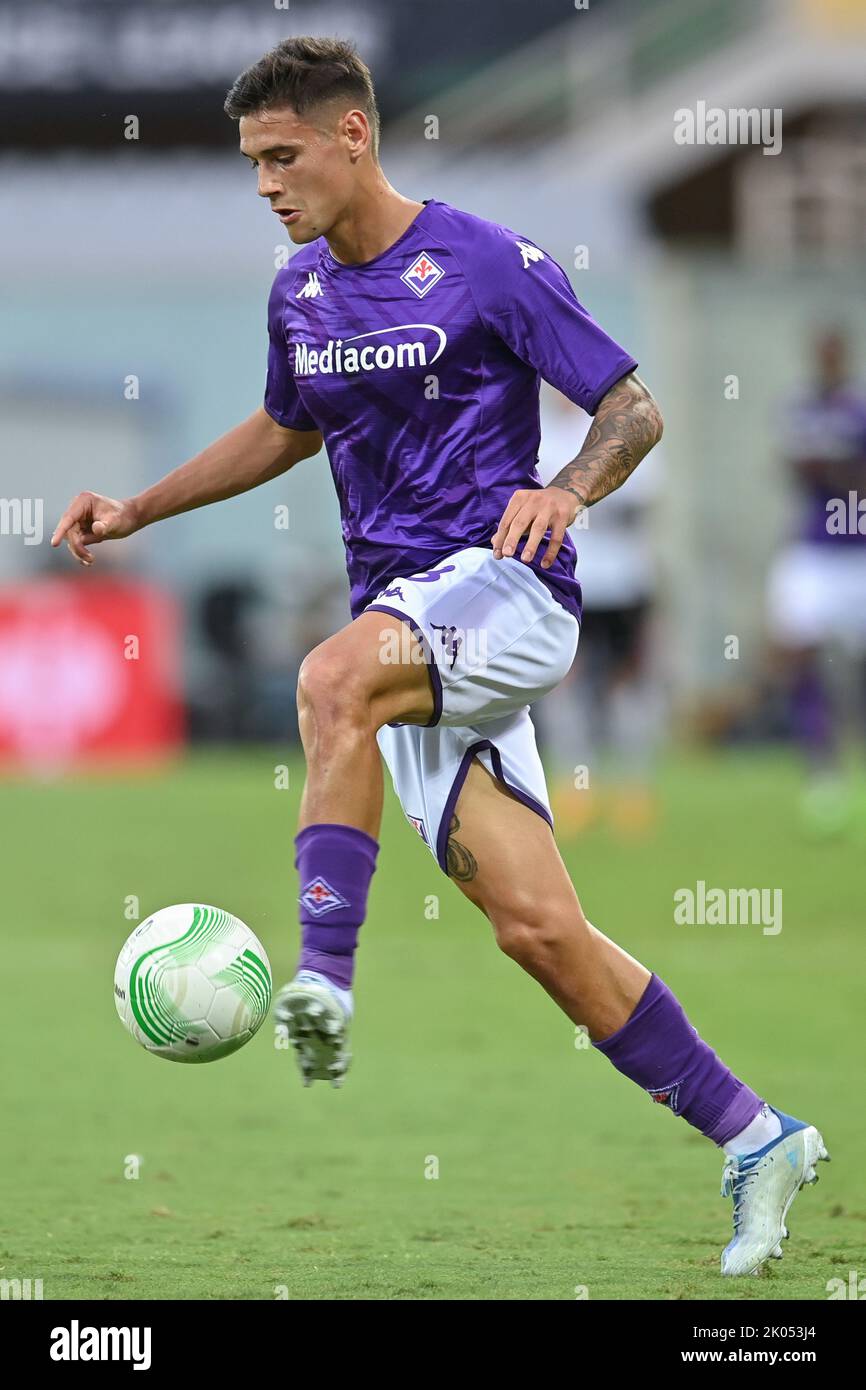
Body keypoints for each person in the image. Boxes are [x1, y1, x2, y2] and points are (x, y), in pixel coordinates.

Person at [51, 36, 828, 1277]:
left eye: (282, 155)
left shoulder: (484, 262)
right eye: (252, 163)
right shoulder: (299, 294)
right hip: (406, 627)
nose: (265, 184)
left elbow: (631, 405)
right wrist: (140, 510)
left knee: (324, 680)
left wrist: (567, 491)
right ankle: (756, 1135)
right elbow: (283, 426)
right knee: (536, 929)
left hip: (504, 592)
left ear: (351, 135)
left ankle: (325, 981)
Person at [766, 327, 866, 832]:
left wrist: (836, 468)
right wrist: (841, 468)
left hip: (859, 550)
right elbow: (796, 467)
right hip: (814, 550)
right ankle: (821, 765)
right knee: (797, 651)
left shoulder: (858, 410)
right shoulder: (800, 409)